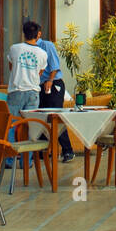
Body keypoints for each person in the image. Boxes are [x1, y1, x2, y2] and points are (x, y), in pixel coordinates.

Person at [30, 20, 74, 162]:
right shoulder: (29, 48)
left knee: (55, 116)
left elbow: (55, 66)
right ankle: (44, 151)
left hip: (53, 83)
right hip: (39, 85)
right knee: (42, 116)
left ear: (39, 34)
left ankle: (68, 150)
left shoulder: (46, 45)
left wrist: (49, 80)